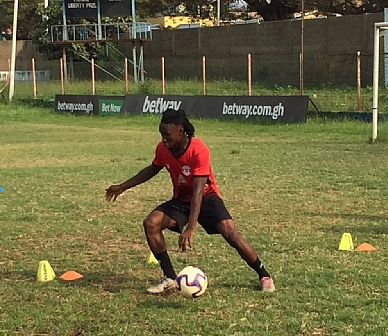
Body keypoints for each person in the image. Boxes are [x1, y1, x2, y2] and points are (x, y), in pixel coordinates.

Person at [105, 108, 275, 293]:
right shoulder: (163, 149)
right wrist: (123, 187)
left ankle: (264, 275)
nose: (163, 139)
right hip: (181, 199)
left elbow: (198, 192)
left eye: (167, 134)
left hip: (207, 197)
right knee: (151, 223)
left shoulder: (198, 150)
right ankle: (170, 278)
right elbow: (152, 169)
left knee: (231, 234)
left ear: (180, 130)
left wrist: (191, 228)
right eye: (161, 134)